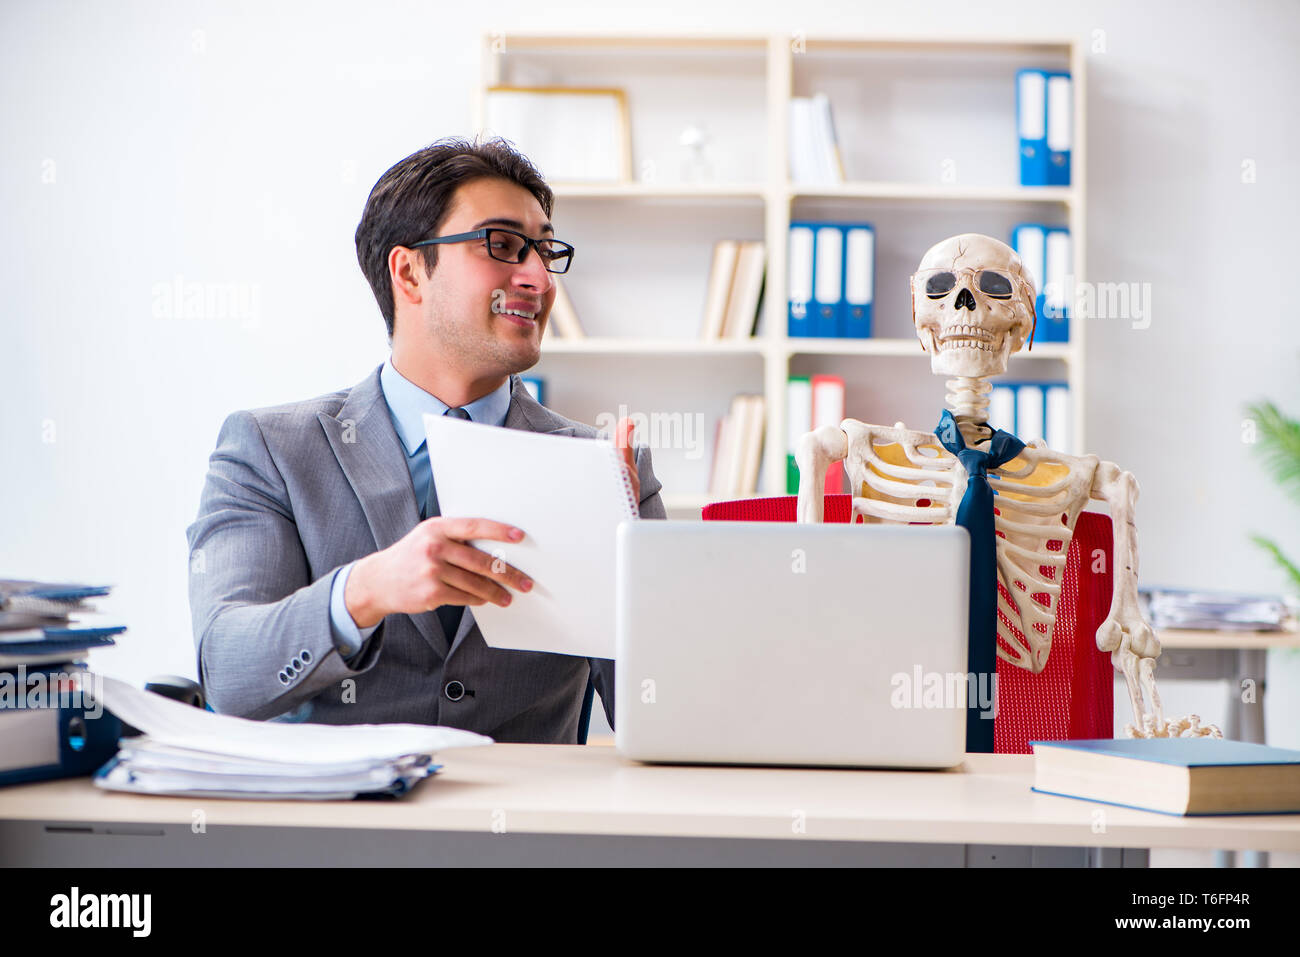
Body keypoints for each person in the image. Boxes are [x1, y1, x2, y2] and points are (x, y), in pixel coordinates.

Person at [185, 137, 665, 742]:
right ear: (409, 272)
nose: (539, 278)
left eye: (545, 251)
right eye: (503, 245)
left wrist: (620, 571)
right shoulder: (270, 449)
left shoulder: (607, 465)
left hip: (533, 828)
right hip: (341, 828)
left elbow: (661, 715)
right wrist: (366, 590)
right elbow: (228, 673)